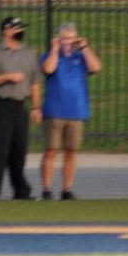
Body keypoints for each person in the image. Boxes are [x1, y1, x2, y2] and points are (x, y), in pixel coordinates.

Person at [0, 16, 41, 202]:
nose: (20, 31)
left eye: (21, 28)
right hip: (2, 104)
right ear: (6, 31)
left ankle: (20, 190)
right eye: (16, 28)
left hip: (20, 105)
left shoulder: (29, 54)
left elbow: (35, 83)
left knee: (19, 149)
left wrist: (36, 107)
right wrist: (7, 77)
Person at [39, 23, 101, 200]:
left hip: (76, 111)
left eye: (72, 38)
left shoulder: (80, 57)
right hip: (55, 111)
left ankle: (67, 189)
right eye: (65, 38)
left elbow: (95, 67)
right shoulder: (51, 56)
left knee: (71, 151)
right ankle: (46, 189)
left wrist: (85, 47)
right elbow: (48, 69)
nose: (68, 42)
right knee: (51, 150)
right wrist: (55, 49)